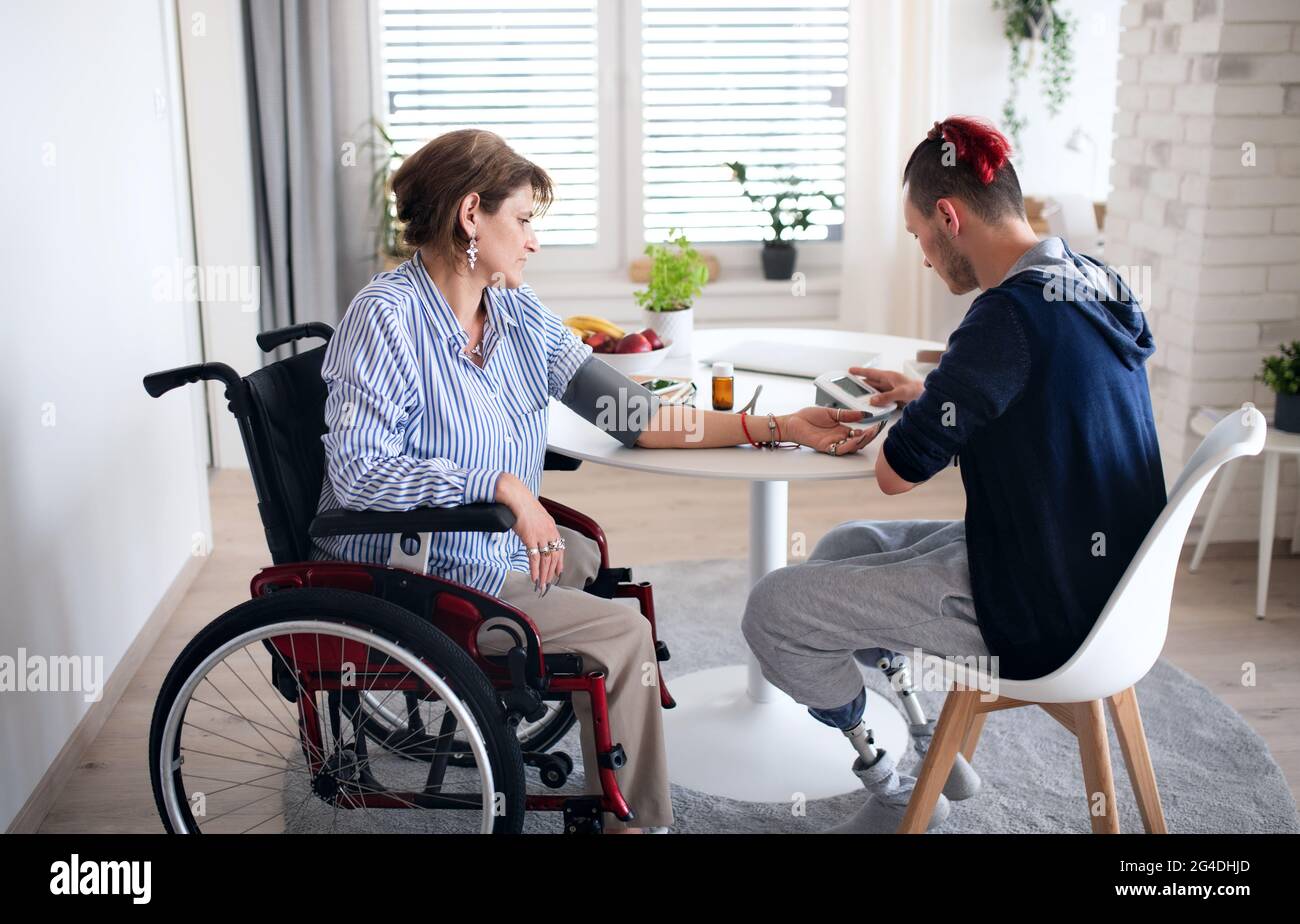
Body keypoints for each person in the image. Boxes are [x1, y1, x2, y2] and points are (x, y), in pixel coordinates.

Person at [310, 128, 880, 833]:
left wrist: (779, 427)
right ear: (469, 217)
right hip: (419, 571)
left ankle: (593, 719)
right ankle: (634, 823)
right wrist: (502, 485)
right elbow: (360, 472)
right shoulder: (385, 319)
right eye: (521, 220)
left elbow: (633, 415)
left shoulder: (511, 312)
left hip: (485, 550)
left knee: (588, 560)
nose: (533, 241)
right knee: (624, 630)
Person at [741, 116, 1167, 833]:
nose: (924, 257)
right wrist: (932, 396)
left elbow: (896, 472)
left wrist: (913, 418)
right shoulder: (1089, 278)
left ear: (948, 216)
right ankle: (925, 741)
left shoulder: (1001, 318)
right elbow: (1044, 400)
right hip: (1101, 580)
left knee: (774, 611)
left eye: (917, 238)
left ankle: (896, 783)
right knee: (849, 546)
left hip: (1043, 610)